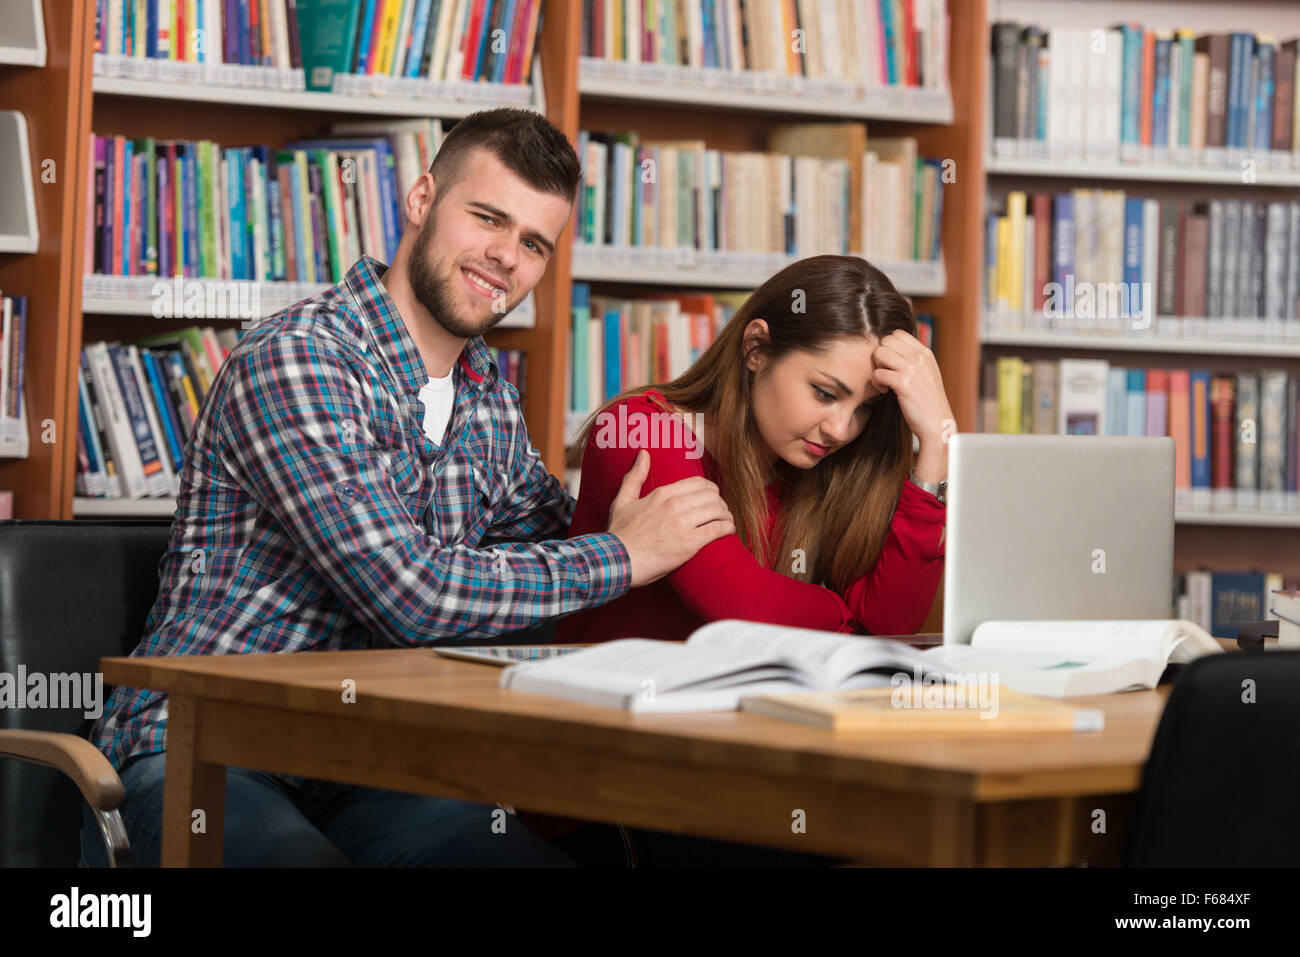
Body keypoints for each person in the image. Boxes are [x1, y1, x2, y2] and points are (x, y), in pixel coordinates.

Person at [81, 108, 735, 868]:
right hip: (208, 747)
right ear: (421, 199)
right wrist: (621, 553)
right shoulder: (300, 358)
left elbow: (555, 548)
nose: (504, 257)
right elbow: (409, 591)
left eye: (533, 243)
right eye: (487, 217)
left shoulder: (486, 392)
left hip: (370, 767)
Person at [559, 254, 951, 645]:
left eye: (866, 408)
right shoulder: (639, 427)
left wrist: (938, 443)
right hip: (615, 700)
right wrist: (856, 623)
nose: (841, 430)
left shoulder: (825, 465)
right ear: (756, 348)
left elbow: (894, 620)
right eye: (825, 393)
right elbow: (745, 605)